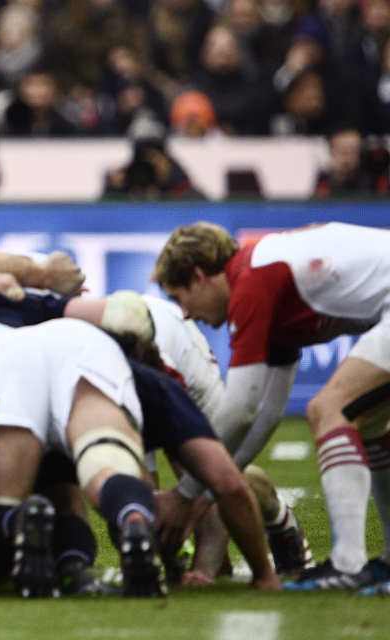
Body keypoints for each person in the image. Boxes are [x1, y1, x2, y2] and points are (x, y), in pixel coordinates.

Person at [0, 319, 280, 597]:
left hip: (5, 361)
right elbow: (230, 485)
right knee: (106, 465)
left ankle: (15, 523)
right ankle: (133, 517)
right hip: (89, 358)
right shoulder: (160, 389)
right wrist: (263, 573)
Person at [152, 221, 390, 591]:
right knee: (369, 424)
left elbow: (240, 409)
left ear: (199, 277)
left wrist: (185, 494)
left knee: (330, 410)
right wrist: (203, 492)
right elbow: (265, 416)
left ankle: (348, 564)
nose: (184, 313)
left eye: (178, 296)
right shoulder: (260, 276)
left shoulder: (251, 281)